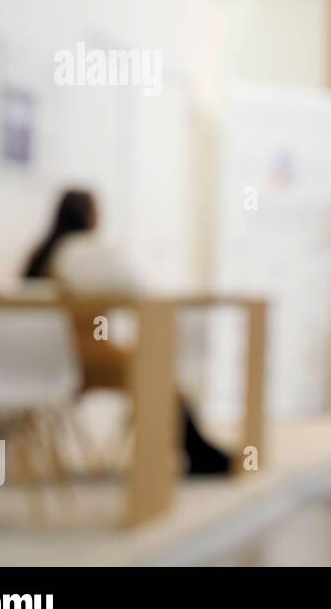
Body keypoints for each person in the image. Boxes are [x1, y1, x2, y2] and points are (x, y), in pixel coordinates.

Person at [24, 189, 230, 475]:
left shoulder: (40, 257)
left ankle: (199, 450)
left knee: (152, 368)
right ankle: (198, 454)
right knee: (154, 370)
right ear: (92, 217)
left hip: (38, 360)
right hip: (84, 356)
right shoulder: (84, 253)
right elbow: (139, 290)